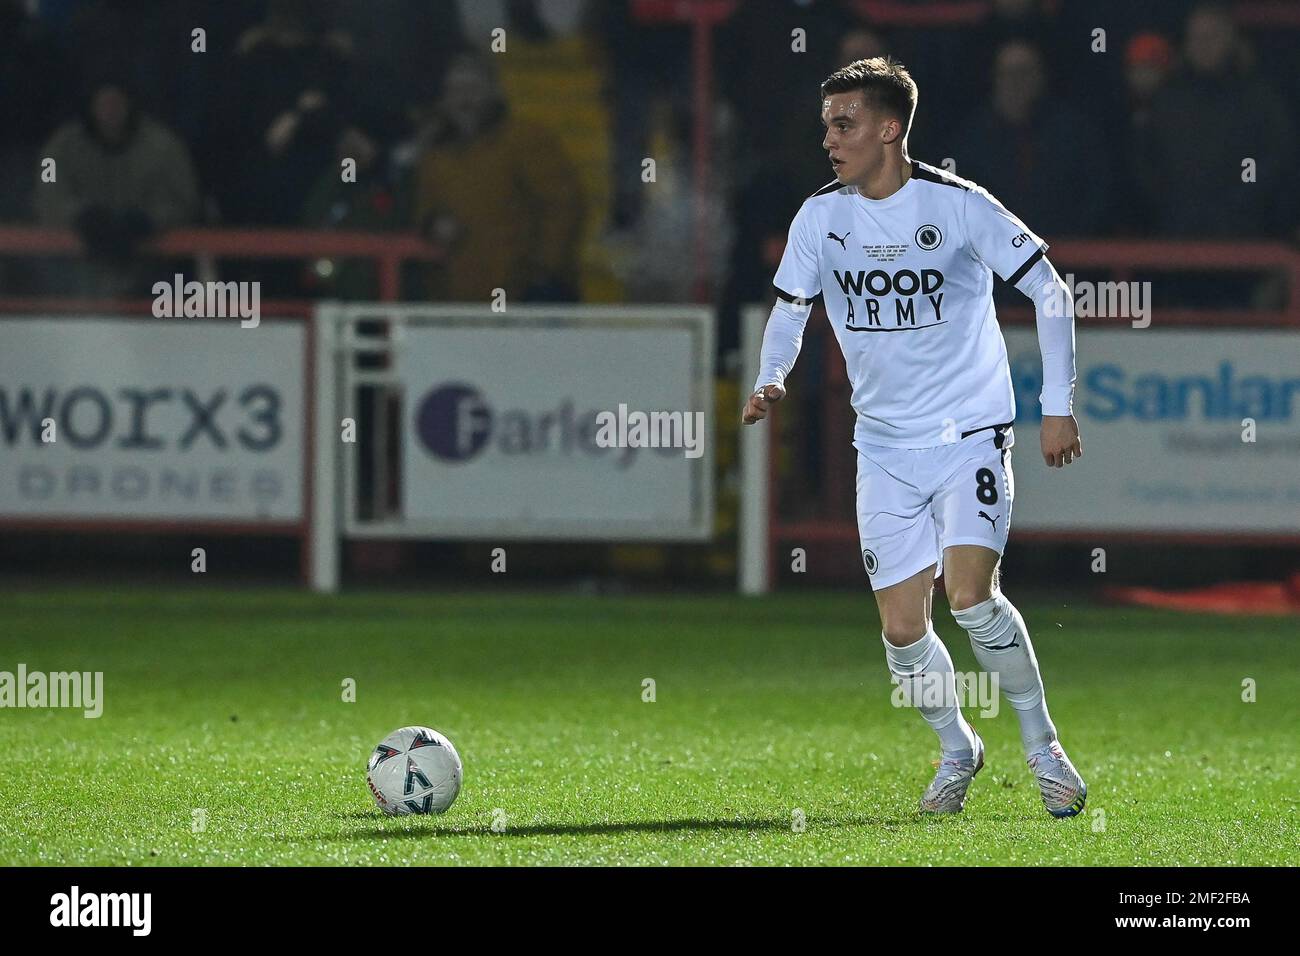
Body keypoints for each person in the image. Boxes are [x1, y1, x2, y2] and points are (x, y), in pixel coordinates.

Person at [741, 57, 1086, 817]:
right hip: (886, 448)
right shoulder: (819, 217)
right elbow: (793, 305)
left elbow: (1049, 288)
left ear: (889, 128)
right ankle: (959, 747)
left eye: (845, 124)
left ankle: (1041, 745)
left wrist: (1055, 404)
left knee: (969, 596)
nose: (829, 139)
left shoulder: (958, 206)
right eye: (827, 125)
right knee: (902, 631)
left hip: (968, 433)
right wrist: (773, 375)